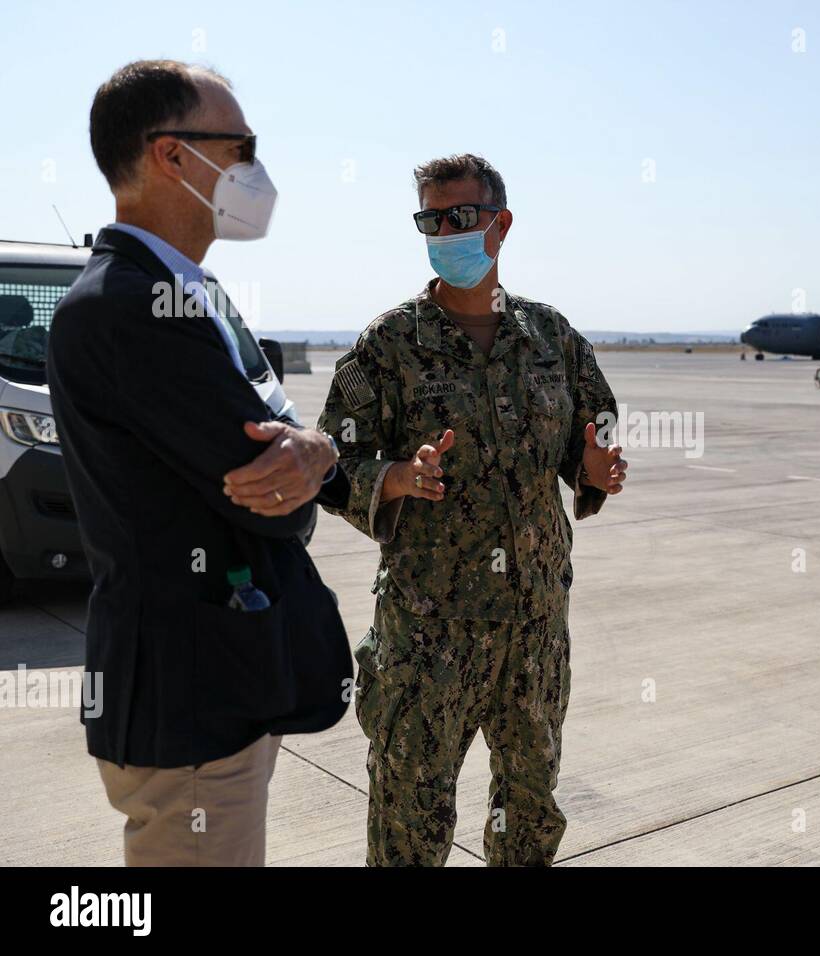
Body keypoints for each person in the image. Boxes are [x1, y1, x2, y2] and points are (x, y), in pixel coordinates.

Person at [48, 60, 352, 866]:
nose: (254, 168)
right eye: (241, 146)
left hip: (217, 686)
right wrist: (310, 463)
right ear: (171, 156)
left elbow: (285, 442)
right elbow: (275, 497)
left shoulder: (188, 290)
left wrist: (317, 453)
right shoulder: (126, 307)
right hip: (187, 703)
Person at [318, 153, 627, 866]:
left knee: (528, 818)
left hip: (536, 627)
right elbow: (333, 463)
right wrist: (395, 476)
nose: (446, 231)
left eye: (461, 217)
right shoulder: (390, 344)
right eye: (432, 219)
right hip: (429, 633)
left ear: (501, 224)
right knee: (409, 822)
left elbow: (595, 423)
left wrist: (595, 467)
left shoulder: (551, 338)